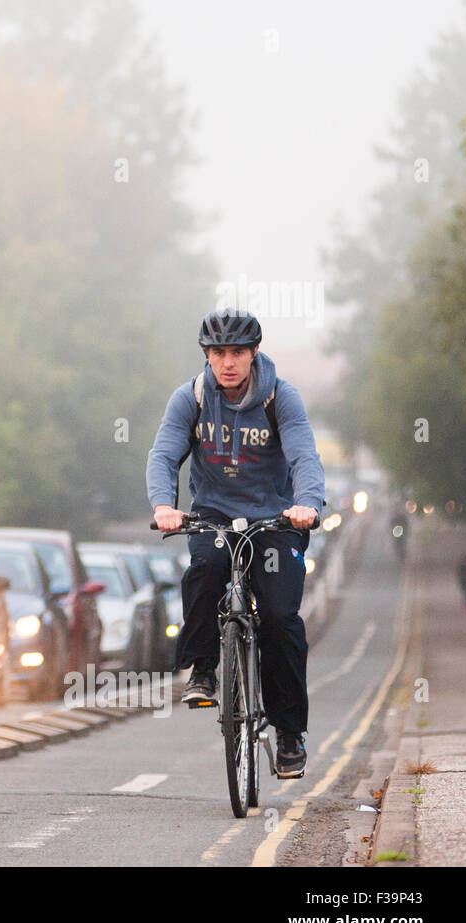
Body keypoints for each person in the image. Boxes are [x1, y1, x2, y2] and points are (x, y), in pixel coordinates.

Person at [145, 309, 325, 778]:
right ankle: (203, 669)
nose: (228, 362)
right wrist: (165, 505)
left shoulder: (281, 398)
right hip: (216, 516)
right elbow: (164, 454)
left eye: (238, 352)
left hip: (276, 518)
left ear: (254, 354)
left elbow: (305, 455)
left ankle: (289, 734)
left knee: (281, 618)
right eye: (219, 352)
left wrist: (306, 503)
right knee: (204, 569)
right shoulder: (192, 398)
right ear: (207, 355)